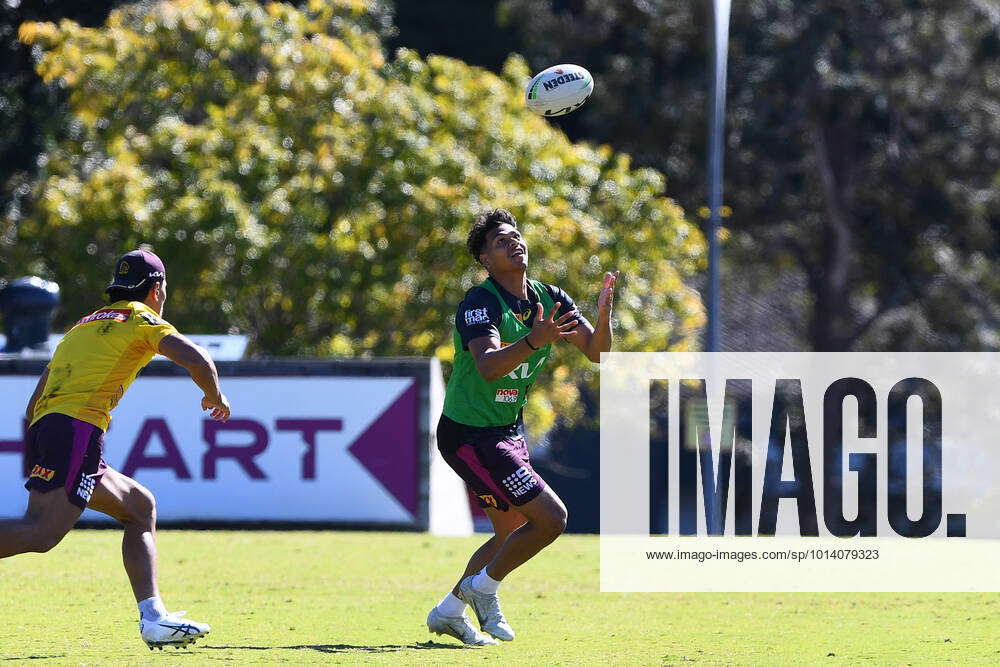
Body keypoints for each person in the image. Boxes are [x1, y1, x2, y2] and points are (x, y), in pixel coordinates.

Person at [0, 249, 232, 650]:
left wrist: (55, 432)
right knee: (41, 533)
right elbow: (197, 357)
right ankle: (153, 617)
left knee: (139, 507)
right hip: (76, 430)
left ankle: (154, 617)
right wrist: (215, 396)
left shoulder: (81, 326)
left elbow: (33, 402)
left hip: (54, 427)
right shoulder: (142, 319)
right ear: (157, 289)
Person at [426, 209, 618, 645]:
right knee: (552, 519)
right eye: (500, 242)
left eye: (516, 236)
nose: (514, 243)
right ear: (485, 261)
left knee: (511, 532)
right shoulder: (480, 302)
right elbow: (490, 367)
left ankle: (451, 610)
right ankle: (483, 589)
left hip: (504, 432)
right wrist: (535, 340)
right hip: (469, 434)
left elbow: (597, 352)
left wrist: (604, 312)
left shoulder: (549, 298)